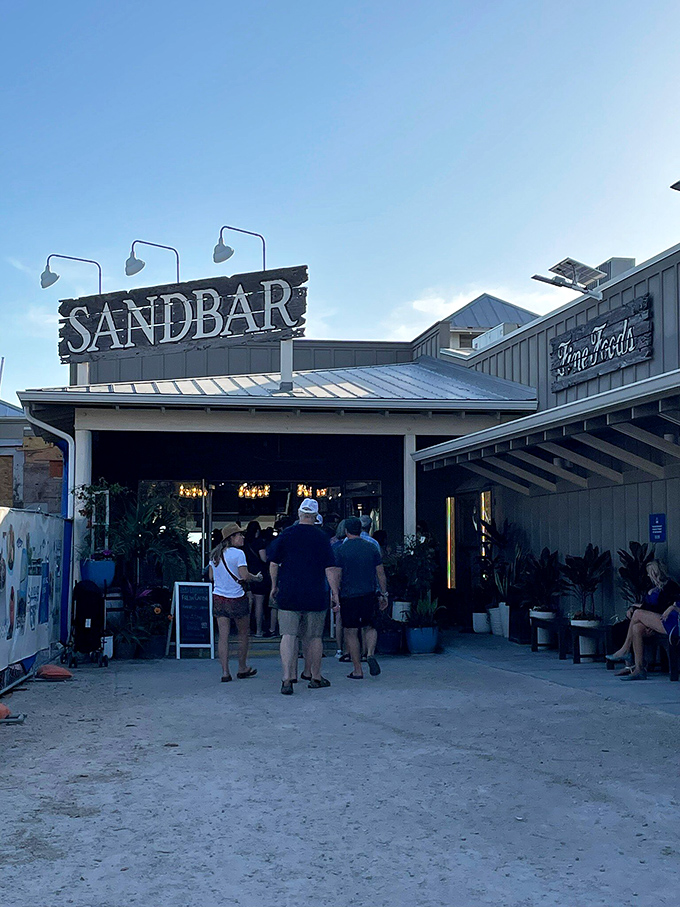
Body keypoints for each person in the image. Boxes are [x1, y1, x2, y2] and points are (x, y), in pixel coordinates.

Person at [269, 498, 339, 695]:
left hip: (289, 591)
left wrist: (274, 586)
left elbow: (273, 562)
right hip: (315, 592)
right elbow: (330, 568)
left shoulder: (286, 534)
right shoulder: (322, 537)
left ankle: (287, 679)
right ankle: (315, 676)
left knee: (288, 635)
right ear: (315, 517)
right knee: (315, 637)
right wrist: (335, 593)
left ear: (299, 514)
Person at [333, 516, 388, 680]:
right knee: (370, 626)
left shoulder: (341, 550)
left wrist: (335, 595)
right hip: (369, 593)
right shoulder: (371, 547)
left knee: (350, 631)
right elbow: (380, 573)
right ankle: (369, 653)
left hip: (349, 595)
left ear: (346, 531)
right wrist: (384, 593)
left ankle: (357, 669)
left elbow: (337, 575)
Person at [606, 560, 680, 680]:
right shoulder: (654, 588)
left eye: (649, 573)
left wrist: (672, 608)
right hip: (659, 620)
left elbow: (663, 607)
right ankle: (639, 669)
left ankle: (625, 650)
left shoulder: (671, 586)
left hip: (671, 621)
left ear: (655, 573)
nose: (648, 575)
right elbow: (648, 606)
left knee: (638, 614)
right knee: (637, 627)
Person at [208, 523, 263, 683]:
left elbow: (211, 577)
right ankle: (242, 667)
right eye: (239, 535)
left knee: (223, 636)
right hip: (237, 597)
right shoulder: (239, 554)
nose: (243, 537)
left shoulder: (215, 554)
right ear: (231, 538)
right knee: (243, 634)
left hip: (219, 597)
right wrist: (256, 577)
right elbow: (244, 576)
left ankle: (225, 672)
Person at [244, 521, 269, 636]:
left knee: (248, 604)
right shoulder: (260, 543)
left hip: (247, 573)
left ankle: (247, 629)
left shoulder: (244, 543)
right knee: (259, 603)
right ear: (258, 531)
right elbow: (264, 559)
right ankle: (259, 630)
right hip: (259, 574)